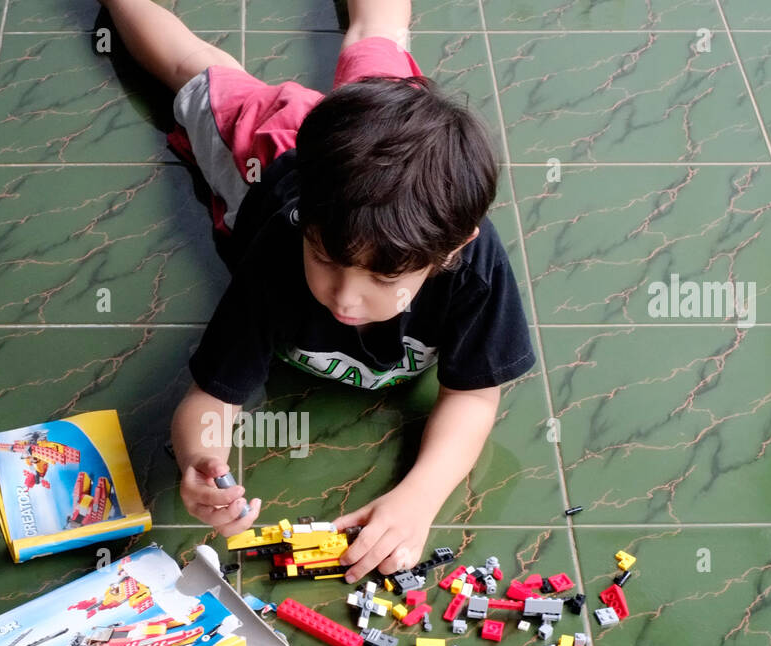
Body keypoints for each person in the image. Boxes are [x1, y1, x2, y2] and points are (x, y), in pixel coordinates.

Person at [98, 0, 535, 583]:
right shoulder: (280, 245)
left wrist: (420, 498)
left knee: (378, 31)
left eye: (383, 279)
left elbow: (476, 395)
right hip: (273, 148)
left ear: (450, 252)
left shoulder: (471, 264)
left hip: (383, 137)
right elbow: (211, 397)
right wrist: (203, 457)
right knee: (190, 68)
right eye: (325, 260)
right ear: (306, 226)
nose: (345, 299)